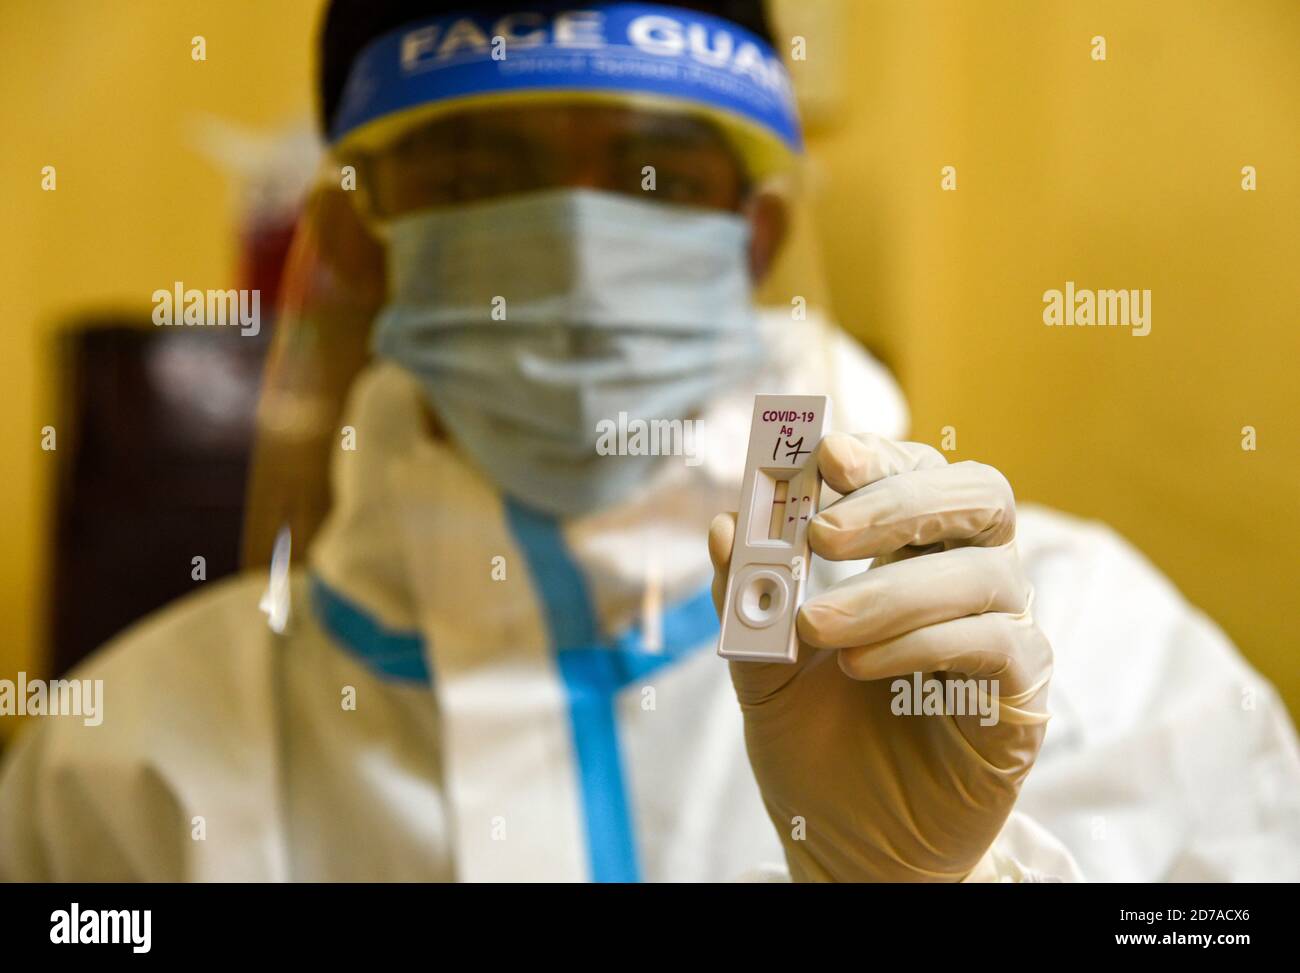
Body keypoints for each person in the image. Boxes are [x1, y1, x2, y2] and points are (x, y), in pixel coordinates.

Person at [2, 0, 1297, 882]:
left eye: (656, 176)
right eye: (482, 172)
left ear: (757, 242)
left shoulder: (1098, 665)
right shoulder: (125, 773)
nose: (573, 246)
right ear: (356, 246)